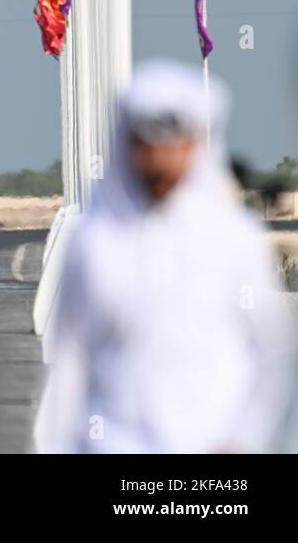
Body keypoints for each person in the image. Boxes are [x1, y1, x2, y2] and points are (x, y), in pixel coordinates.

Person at [34, 60, 295, 453]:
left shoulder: (232, 239)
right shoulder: (95, 242)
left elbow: (273, 352)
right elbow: (70, 364)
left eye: (175, 145)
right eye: (148, 145)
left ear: (195, 146)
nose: (161, 160)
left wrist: (244, 437)